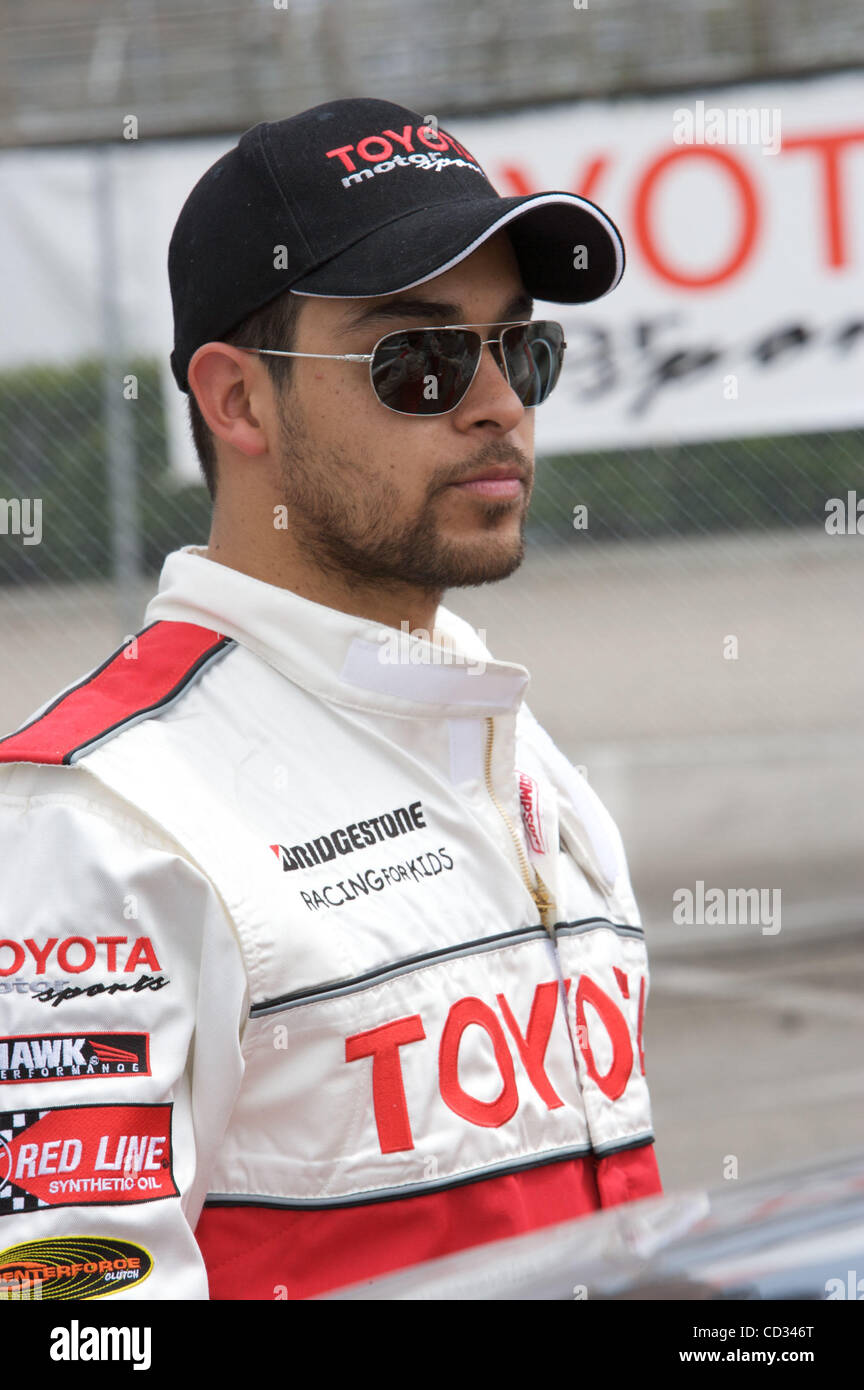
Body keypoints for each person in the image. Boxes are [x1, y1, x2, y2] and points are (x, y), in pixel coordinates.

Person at [0, 98, 661, 1302]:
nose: (497, 403)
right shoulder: (96, 819)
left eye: (521, 349)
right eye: (419, 360)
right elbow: (68, 1320)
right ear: (237, 401)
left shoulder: (513, 743)